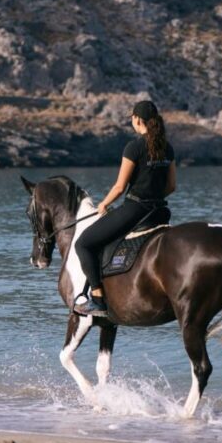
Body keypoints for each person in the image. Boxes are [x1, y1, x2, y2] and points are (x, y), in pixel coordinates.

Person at [73, 100, 176, 317]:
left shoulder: (134, 147)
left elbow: (120, 186)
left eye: (132, 118)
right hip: (159, 211)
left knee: (84, 244)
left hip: (136, 210)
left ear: (137, 119)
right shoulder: (168, 148)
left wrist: (103, 204)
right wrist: (154, 197)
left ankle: (99, 300)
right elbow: (171, 186)